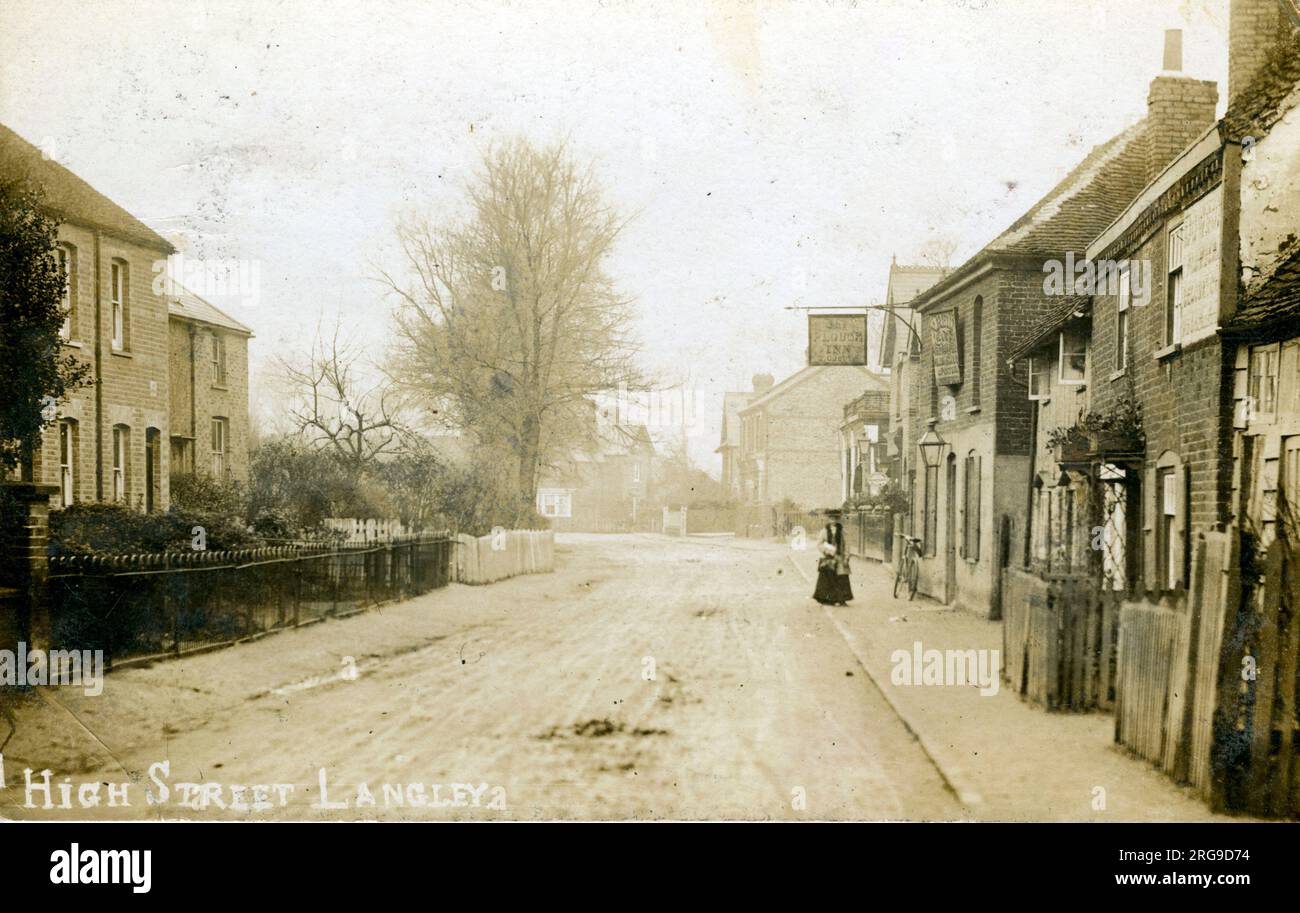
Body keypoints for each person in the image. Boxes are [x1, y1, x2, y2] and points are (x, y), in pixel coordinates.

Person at [812, 509, 854, 606]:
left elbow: (847, 544)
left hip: (840, 557)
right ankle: (828, 599)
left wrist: (847, 556)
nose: (833, 520)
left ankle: (841, 599)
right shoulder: (824, 531)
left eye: (835, 518)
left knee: (841, 578)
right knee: (828, 577)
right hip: (829, 557)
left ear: (837, 519)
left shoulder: (842, 531)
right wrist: (827, 550)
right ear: (828, 519)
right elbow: (819, 544)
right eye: (831, 518)